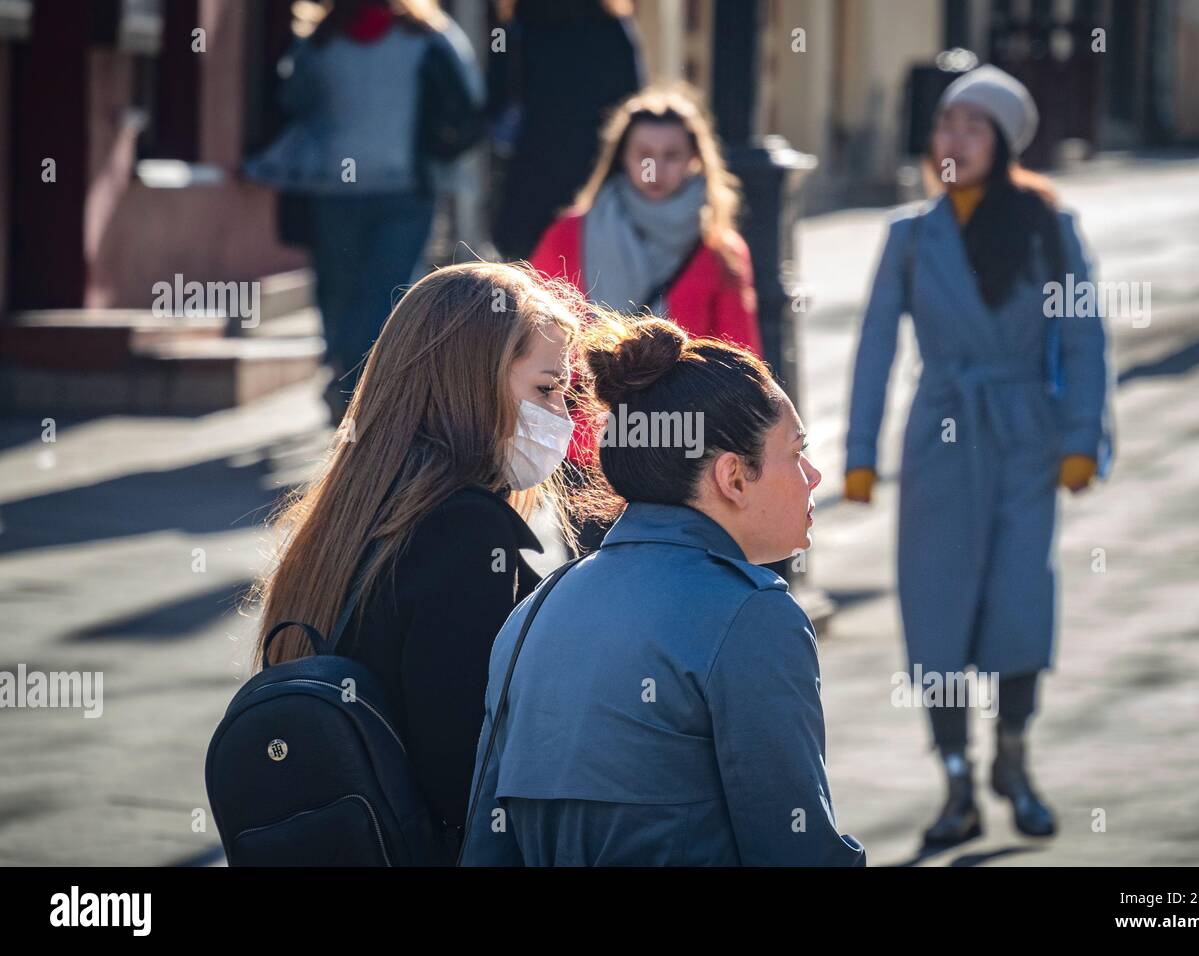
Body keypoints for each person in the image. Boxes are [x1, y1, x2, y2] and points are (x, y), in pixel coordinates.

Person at [460, 317, 865, 866]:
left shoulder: (536, 609)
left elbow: (487, 847)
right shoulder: (752, 613)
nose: (813, 476)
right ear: (733, 478)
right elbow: (794, 851)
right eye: (795, 452)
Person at [843, 65, 1114, 847]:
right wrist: (860, 452)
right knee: (936, 607)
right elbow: (874, 349)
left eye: (972, 125)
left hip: (1026, 433)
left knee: (1020, 601)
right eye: (945, 124)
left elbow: (1084, 337)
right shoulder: (907, 235)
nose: (953, 138)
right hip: (940, 434)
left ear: (1002, 141)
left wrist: (1080, 436)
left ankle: (1015, 760)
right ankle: (956, 781)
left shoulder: (1049, 227)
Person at [250, 262, 582, 864]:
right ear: (469, 382)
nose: (563, 416)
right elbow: (465, 775)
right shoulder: (465, 534)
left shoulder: (358, 512)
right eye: (546, 389)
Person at [531, 84, 764, 553]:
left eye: (672, 154)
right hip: (588, 450)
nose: (656, 168)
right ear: (621, 156)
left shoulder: (721, 251)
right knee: (596, 586)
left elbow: (741, 360)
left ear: (696, 159)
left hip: (684, 456)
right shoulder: (568, 233)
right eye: (643, 153)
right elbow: (532, 335)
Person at [244, 0, 482, 423]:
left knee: (338, 290)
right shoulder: (430, 34)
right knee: (385, 290)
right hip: (404, 186)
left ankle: (346, 378)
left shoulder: (320, 39)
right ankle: (360, 389)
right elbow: (470, 99)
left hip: (334, 187)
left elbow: (292, 99)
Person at [487, 0, 645, 261]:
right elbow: (633, 102)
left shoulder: (510, 31)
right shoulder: (614, 27)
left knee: (528, 272)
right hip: (595, 172)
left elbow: (495, 99)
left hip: (531, 171)